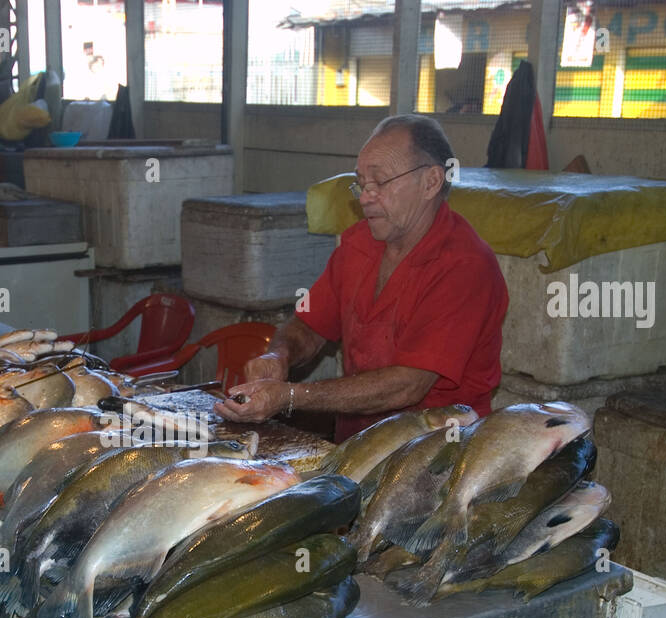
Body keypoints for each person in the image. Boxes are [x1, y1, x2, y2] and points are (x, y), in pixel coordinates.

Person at [215, 114, 508, 442]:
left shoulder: (465, 265)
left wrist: (291, 396)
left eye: (380, 183)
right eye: (361, 184)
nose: (365, 196)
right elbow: (309, 327)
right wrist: (279, 354)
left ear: (431, 181)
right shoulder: (358, 242)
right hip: (357, 442)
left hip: (438, 452)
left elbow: (408, 385)